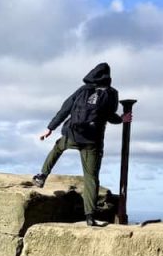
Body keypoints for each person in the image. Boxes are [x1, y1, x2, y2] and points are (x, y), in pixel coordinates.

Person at [33, 62, 132, 227]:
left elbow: (65, 109)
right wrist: (122, 119)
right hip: (92, 141)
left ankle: (42, 175)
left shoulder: (82, 90)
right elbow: (110, 116)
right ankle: (90, 216)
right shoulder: (111, 93)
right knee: (91, 178)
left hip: (72, 134)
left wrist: (50, 128)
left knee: (57, 148)